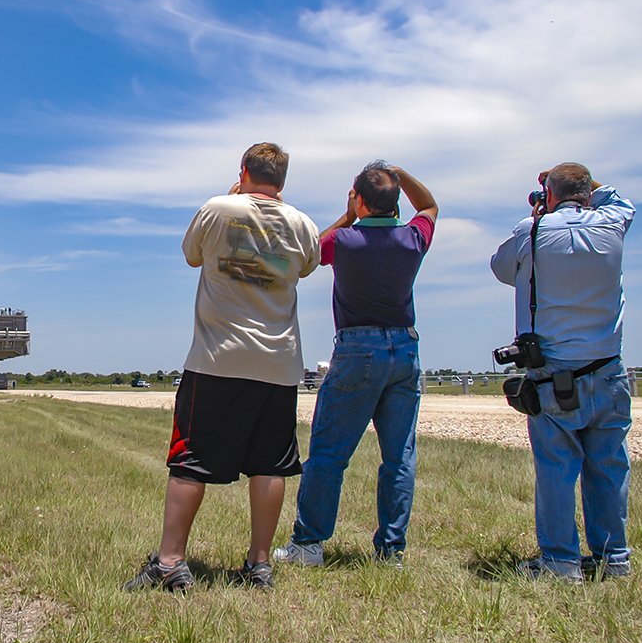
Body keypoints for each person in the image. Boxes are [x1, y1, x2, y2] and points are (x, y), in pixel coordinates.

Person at [123, 142, 320, 591]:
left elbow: (192, 255)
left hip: (217, 357)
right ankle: (259, 564)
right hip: (279, 363)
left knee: (190, 460)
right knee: (271, 464)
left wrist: (232, 199)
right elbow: (306, 267)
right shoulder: (303, 224)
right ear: (283, 180)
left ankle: (170, 562)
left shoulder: (216, 209)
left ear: (243, 170)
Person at [275, 161, 437, 568]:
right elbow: (429, 206)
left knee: (329, 453)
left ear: (360, 200)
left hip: (356, 348)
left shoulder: (346, 240)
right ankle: (391, 551)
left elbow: (311, 252)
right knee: (399, 457)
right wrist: (400, 174)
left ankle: (308, 544)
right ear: (396, 202)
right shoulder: (412, 239)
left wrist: (349, 215)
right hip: (405, 346)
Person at [490, 162, 636, 582]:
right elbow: (619, 200)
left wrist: (541, 214)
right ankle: (613, 559)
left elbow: (501, 268)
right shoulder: (612, 223)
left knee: (556, 469)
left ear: (549, 195)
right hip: (608, 368)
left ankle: (559, 561)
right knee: (609, 467)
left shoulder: (532, 231)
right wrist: (576, 184)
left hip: (552, 372)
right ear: (588, 195)